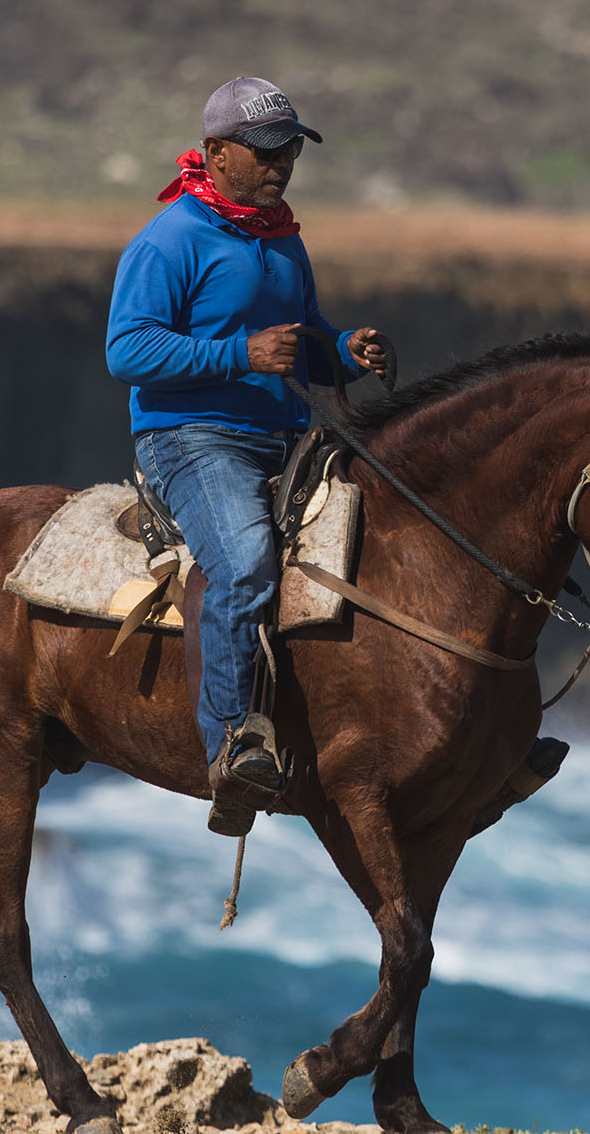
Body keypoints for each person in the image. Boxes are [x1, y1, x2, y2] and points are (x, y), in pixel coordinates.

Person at [106, 76, 388, 827]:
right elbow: (126, 349)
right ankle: (233, 745)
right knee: (245, 561)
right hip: (190, 439)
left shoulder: (282, 237)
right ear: (216, 153)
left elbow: (302, 342)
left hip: (284, 435)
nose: (281, 162)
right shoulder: (170, 238)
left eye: (290, 147)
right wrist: (240, 353)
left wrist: (347, 353)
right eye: (265, 149)